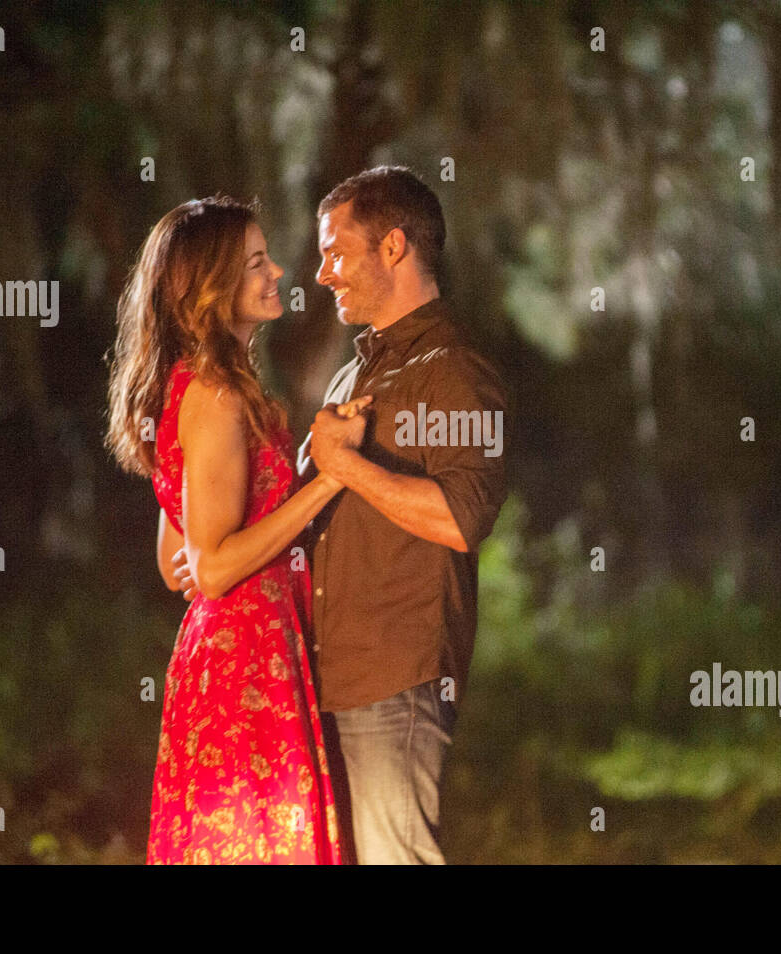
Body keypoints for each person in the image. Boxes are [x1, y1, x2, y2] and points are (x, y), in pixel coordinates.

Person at [105, 195, 369, 864]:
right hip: (244, 657)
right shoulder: (217, 397)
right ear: (208, 287)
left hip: (230, 651)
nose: (277, 270)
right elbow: (214, 569)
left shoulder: (193, 387)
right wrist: (332, 478)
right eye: (254, 261)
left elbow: (176, 563)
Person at [299, 166, 509, 864]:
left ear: (393, 247)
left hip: (396, 678)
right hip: (333, 677)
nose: (323, 273)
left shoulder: (453, 371)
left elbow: (460, 518)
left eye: (336, 251)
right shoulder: (354, 371)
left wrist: (346, 467)